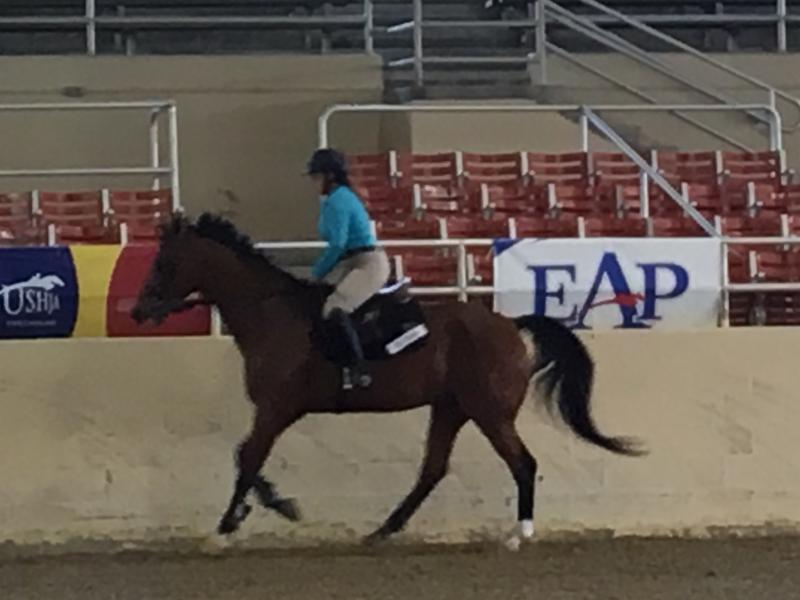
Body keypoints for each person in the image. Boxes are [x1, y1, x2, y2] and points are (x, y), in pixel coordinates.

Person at [307, 148, 390, 389]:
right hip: (349, 261)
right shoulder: (333, 199)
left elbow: (338, 244)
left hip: (366, 263)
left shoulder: (338, 201)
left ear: (329, 176)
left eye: (316, 176)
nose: (314, 182)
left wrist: (317, 272)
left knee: (336, 307)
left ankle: (357, 369)